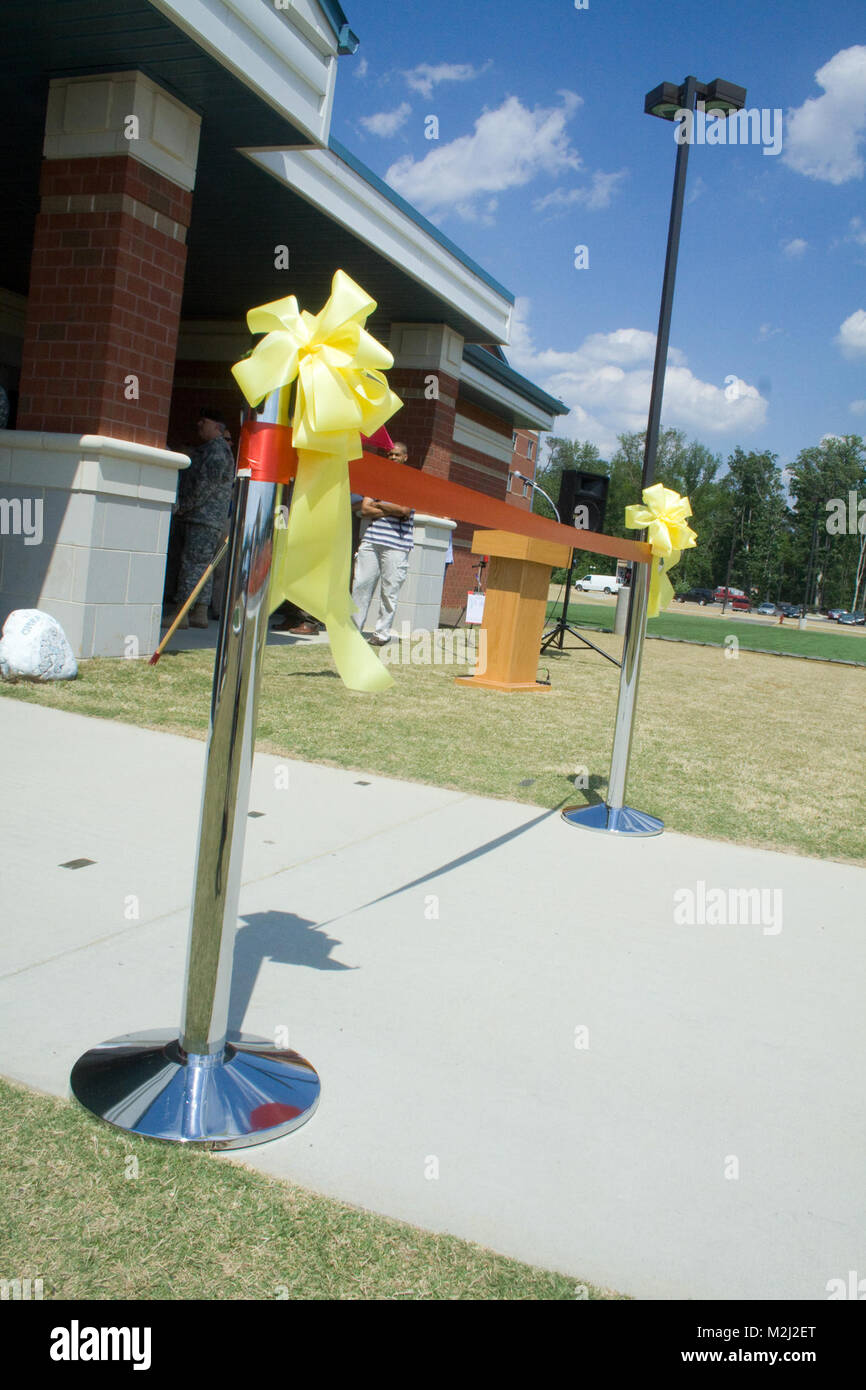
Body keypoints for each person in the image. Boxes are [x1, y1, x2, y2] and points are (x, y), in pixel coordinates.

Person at [163, 409, 235, 629]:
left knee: (192, 565)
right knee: (203, 566)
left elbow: (204, 486)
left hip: (202, 517)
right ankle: (199, 613)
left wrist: (183, 506)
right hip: (207, 518)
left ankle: (181, 614)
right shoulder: (213, 450)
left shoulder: (216, 451)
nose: (199, 425)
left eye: (204, 422)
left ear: (216, 427)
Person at [351, 442, 414, 645]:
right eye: (390, 454)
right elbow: (365, 509)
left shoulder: (411, 481)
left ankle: (381, 633)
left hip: (397, 544)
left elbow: (404, 510)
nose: (393, 458)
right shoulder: (377, 478)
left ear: (405, 457)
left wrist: (377, 504)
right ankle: (353, 630)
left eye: (396, 455)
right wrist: (388, 507)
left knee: (389, 591)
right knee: (361, 585)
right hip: (371, 540)